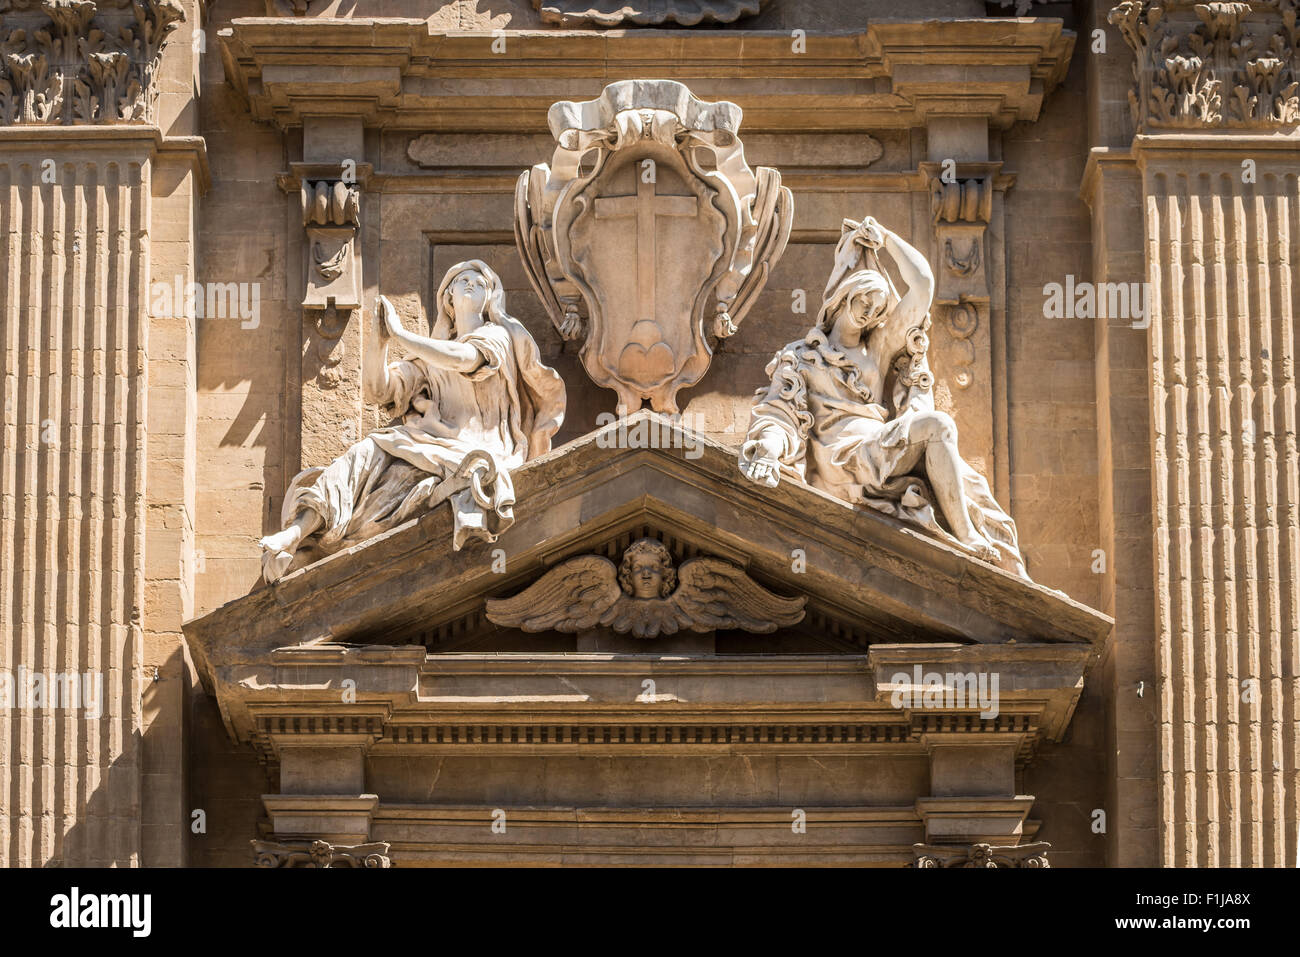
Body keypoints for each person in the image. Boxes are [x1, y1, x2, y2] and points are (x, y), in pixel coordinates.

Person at [739, 216, 1028, 579]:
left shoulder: (876, 350)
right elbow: (780, 413)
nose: (871, 313)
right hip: (841, 454)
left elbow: (922, 286)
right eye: (865, 302)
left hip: (878, 444)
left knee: (939, 427)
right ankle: (965, 533)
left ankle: (967, 534)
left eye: (878, 308)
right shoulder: (800, 357)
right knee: (938, 426)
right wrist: (766, 445)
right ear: (845, 296)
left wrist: (887, 238)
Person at [258, 260, 565, 582]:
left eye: (480, 281)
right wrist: (380, 342)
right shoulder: (428, 358)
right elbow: (378, 390)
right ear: (447, 297)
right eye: (461, 280)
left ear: (491, 296)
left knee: (401, 481)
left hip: (481, 447)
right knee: (365, 450)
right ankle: (295, 532)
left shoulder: (498, 337)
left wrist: (401, 334)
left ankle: (326, 545)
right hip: (431, 443)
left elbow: (463, 359)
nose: (471, 283)